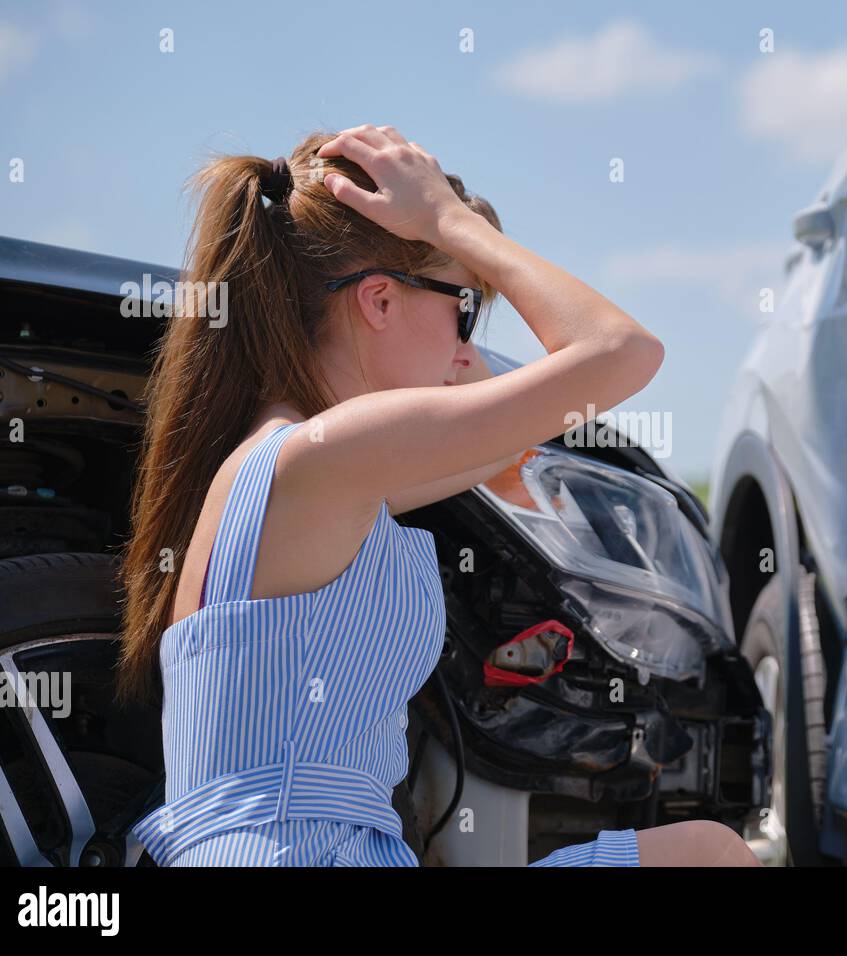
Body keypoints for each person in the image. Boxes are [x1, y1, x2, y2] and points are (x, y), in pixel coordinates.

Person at [117, 124, 760, 868]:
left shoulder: (307, 461)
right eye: (464, 309)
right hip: (304, 854)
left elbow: (512, 447)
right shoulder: (334, 452)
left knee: (705, 852)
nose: (469, 349)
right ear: (380, 301)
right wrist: (444, 224)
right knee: (710, 856)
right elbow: (622, 352)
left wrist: (451, 263)